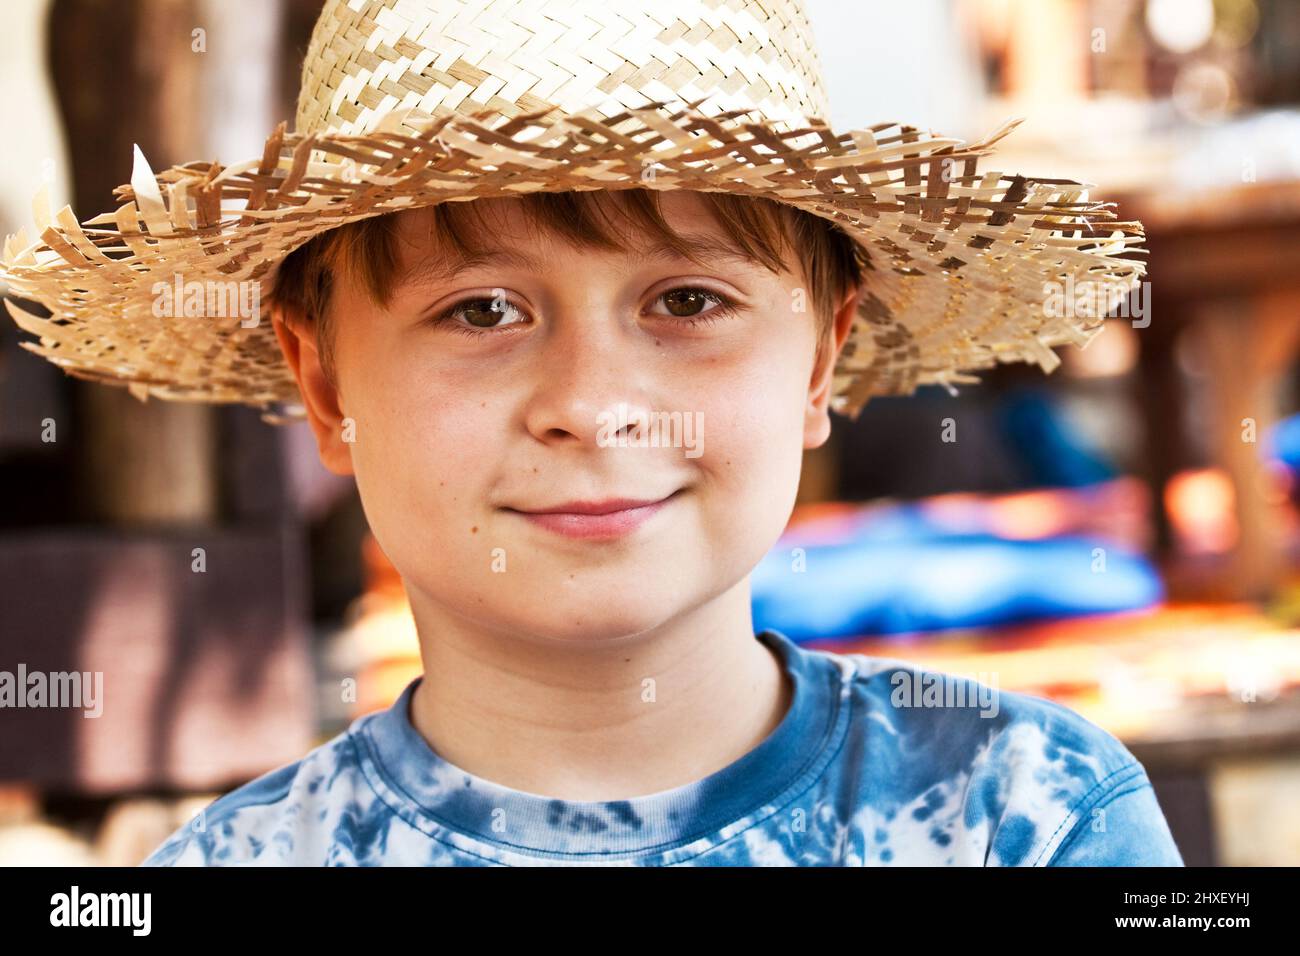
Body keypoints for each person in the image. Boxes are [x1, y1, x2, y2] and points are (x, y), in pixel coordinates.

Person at [1, 0, 1180, 866]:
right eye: (479, 310)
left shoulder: (1029, 815)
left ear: (819, 357)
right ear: (323, 383)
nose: (594, 401)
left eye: (686, 302)